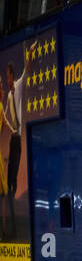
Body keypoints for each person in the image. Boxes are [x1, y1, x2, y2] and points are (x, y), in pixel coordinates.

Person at [1, 62, 20, 240]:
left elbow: (7, 122)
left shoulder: (17, 89)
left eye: (7, 76)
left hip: (17, 139)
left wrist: (16, 133)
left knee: (9, 189)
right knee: (7, 189)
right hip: (14, 140)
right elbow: (6, 120)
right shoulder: (5, 100)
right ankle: (7, 229)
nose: (6, 82)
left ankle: (8, 229)